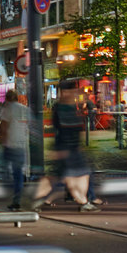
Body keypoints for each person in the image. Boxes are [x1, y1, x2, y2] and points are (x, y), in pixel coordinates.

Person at [26, 81, 100, 213]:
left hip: (68, 149)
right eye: (72, 91)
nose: (75, 94)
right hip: (67, 150)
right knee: (71, 177)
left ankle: (37, 200)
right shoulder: (63, 108)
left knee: (64, 177)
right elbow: (66, 130)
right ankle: (83, 203)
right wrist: (64, 149)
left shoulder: (67, 107)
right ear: (65, 92)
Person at [0, 89, 30, 209]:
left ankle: (6, 191)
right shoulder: (24, 109)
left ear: (7, 99)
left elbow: (3, 128)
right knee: (18, 174)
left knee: (4, 169)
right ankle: (17, 198)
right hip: (21, 145)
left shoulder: (7, 109)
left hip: (9, 145)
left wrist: (3, 142)